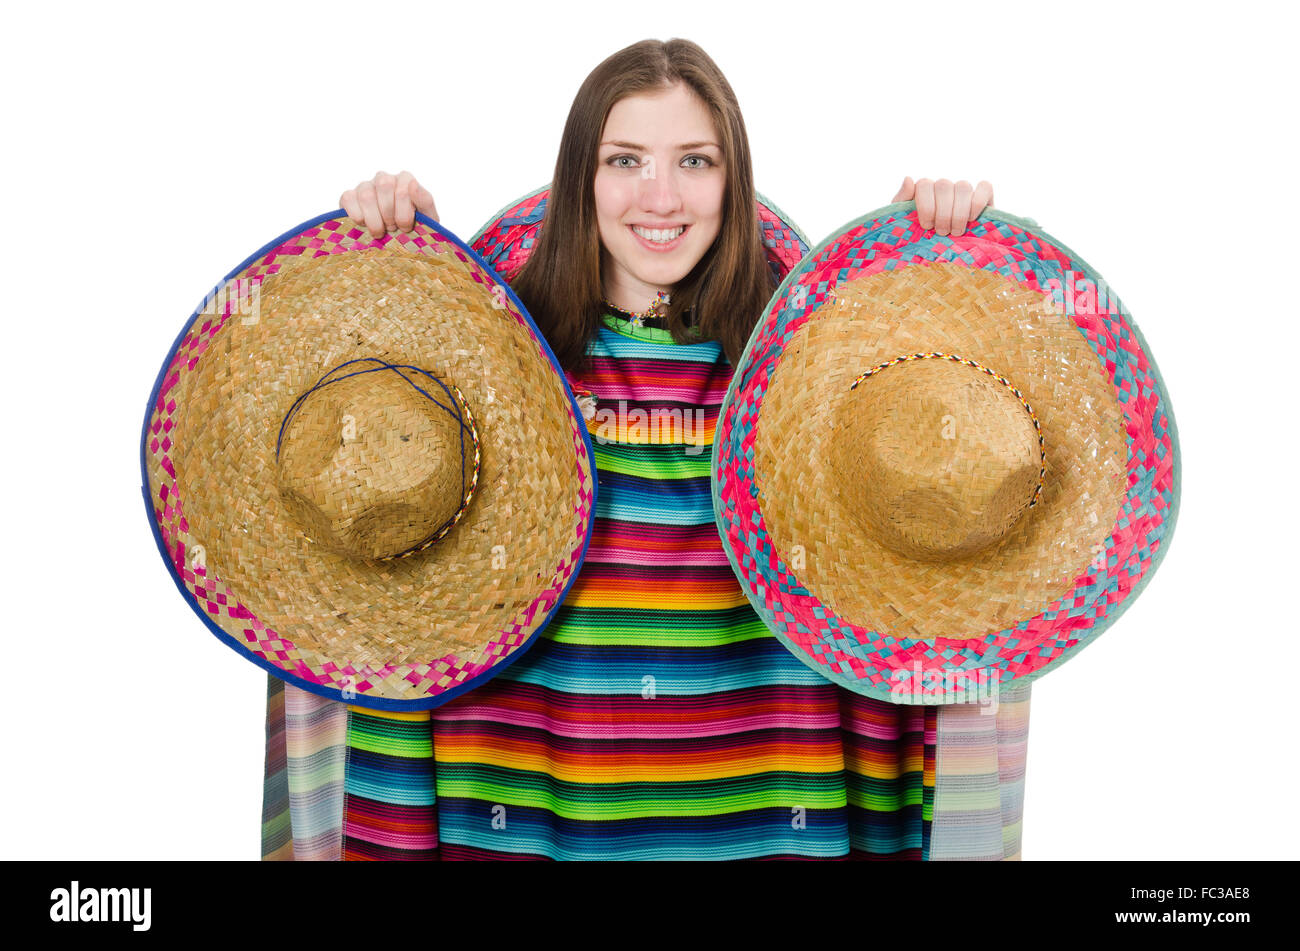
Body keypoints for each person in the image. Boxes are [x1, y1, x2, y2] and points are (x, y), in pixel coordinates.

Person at [260, 37, 1023, 861]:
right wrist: (408, 273)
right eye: (626, 159)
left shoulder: (815, 371)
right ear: (580, 178)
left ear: (734, 180)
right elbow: (358, 540)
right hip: (519, 810)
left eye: (695, 161)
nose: (661, 196)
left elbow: (944, 544)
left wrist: (926, 261)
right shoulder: (491, 368)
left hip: (773, 818)